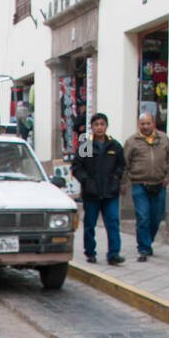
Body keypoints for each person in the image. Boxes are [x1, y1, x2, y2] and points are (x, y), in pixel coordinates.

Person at [71, 112, 126, 265]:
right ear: (92, 127)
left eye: (102, 124)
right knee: (90, 224)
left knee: (113, 222)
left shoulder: (114, 146)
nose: (99, 127)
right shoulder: (86, 145)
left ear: (106, 126)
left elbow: (121, 165)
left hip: (110, 192)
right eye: (96, 125)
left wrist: (116, 178)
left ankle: (114, 254)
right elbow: (77, 167)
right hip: (91, 193)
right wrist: (87, 181)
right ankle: (90, 252)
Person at [123, 111, 169, 261]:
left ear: (153, 123)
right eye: (142, 124)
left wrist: (168, 177)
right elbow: (124, 164)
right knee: (143, 217)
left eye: (148, 123)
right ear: (138, 125)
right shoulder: (132, 141)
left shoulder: (163, 139)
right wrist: (122, 183)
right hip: (139, 184)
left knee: (156, 217)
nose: (145, 126)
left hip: (159, 184)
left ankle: (148, 241)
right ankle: (143, 248)